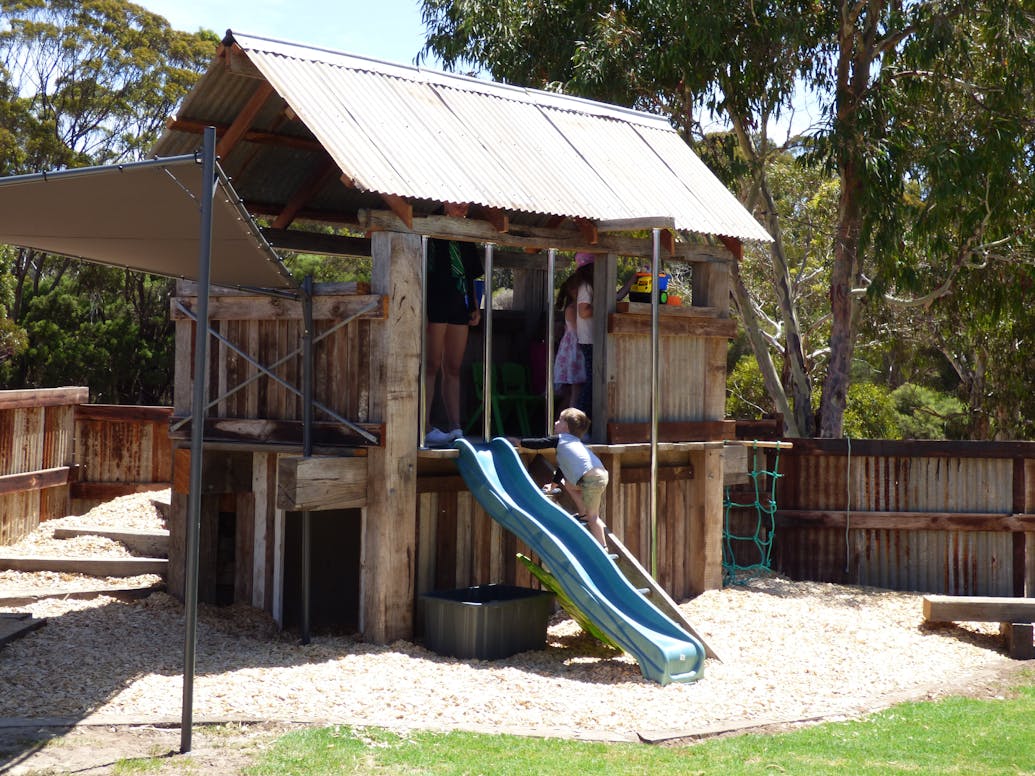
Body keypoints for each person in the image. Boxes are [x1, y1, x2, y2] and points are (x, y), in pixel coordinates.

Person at [424, 202, 483, 447]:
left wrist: (475, 305)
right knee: (431, 365)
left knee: (454, 367)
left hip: (460, 302)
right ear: (445, 204)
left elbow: (471, 275)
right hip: (435, 300)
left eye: (466, 205)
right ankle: (424, 427)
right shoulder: (432, 230)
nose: (463, 209)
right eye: (458, 204)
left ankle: (456, 426)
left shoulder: (466, 235)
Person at [515, 407, 610, 550]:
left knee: (593, 517)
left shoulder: (561, 439)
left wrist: (519, 442)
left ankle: (603, 548)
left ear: (565, 426)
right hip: (598, 475)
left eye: (559, 420)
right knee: (569, 484)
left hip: (592, 479)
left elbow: (541, 443)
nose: (555, 422)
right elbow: (564, 468)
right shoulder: (574, 444)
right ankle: (583, 514)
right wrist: (553, 485)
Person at [552, 274, 586, 410]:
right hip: (574, 350)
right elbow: (579, 329)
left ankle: (563, 422)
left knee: (572, 392)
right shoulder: (572, 309)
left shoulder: (575, 307)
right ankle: (570, 423)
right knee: (575, 390)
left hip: (576, 349)